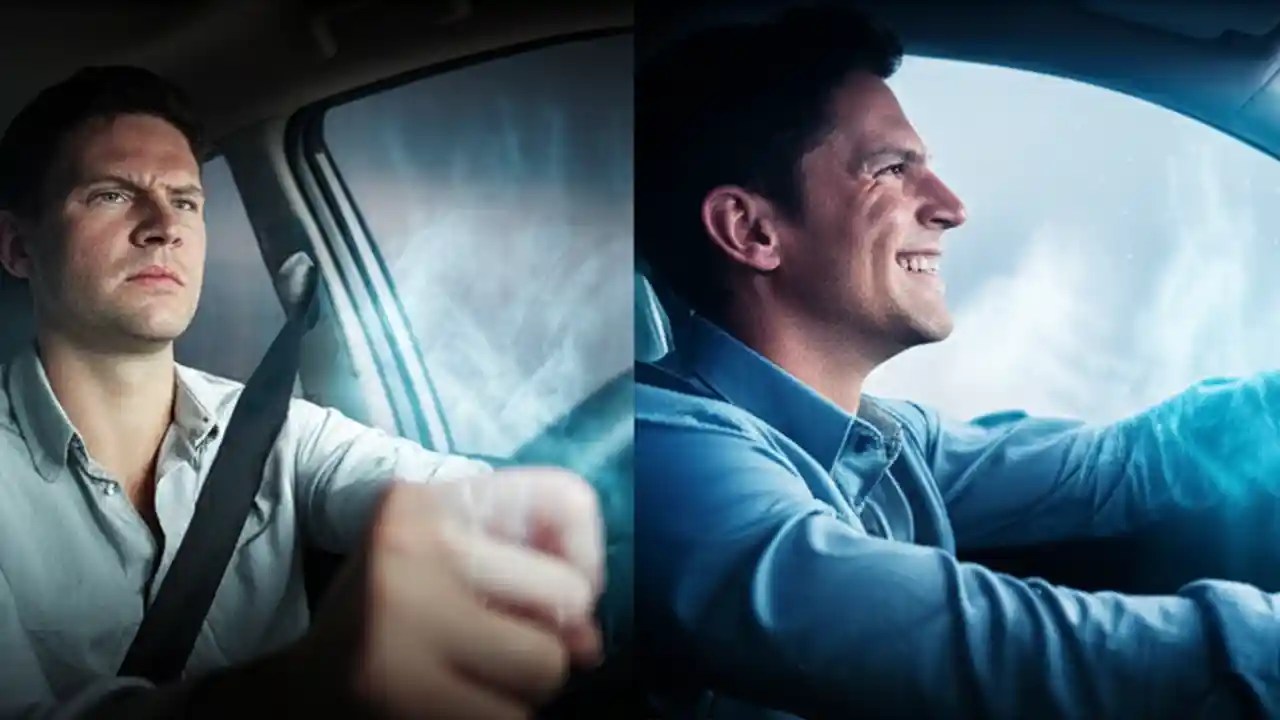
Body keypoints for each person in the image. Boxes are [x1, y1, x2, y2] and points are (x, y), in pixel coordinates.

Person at [635, 5, 1280, 719]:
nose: (950, 208)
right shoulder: (661, 452)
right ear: (752, 229)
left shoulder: (884, 438)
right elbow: (987, 644)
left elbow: (1116, 466)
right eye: (890, 170)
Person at [0, 67, 604, 719]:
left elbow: (445, 493)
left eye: (186, 200)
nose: (163, 226)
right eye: (111, 195)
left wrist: (534, 524)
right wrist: (298, 688)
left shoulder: (283, 433)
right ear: (17, 246)